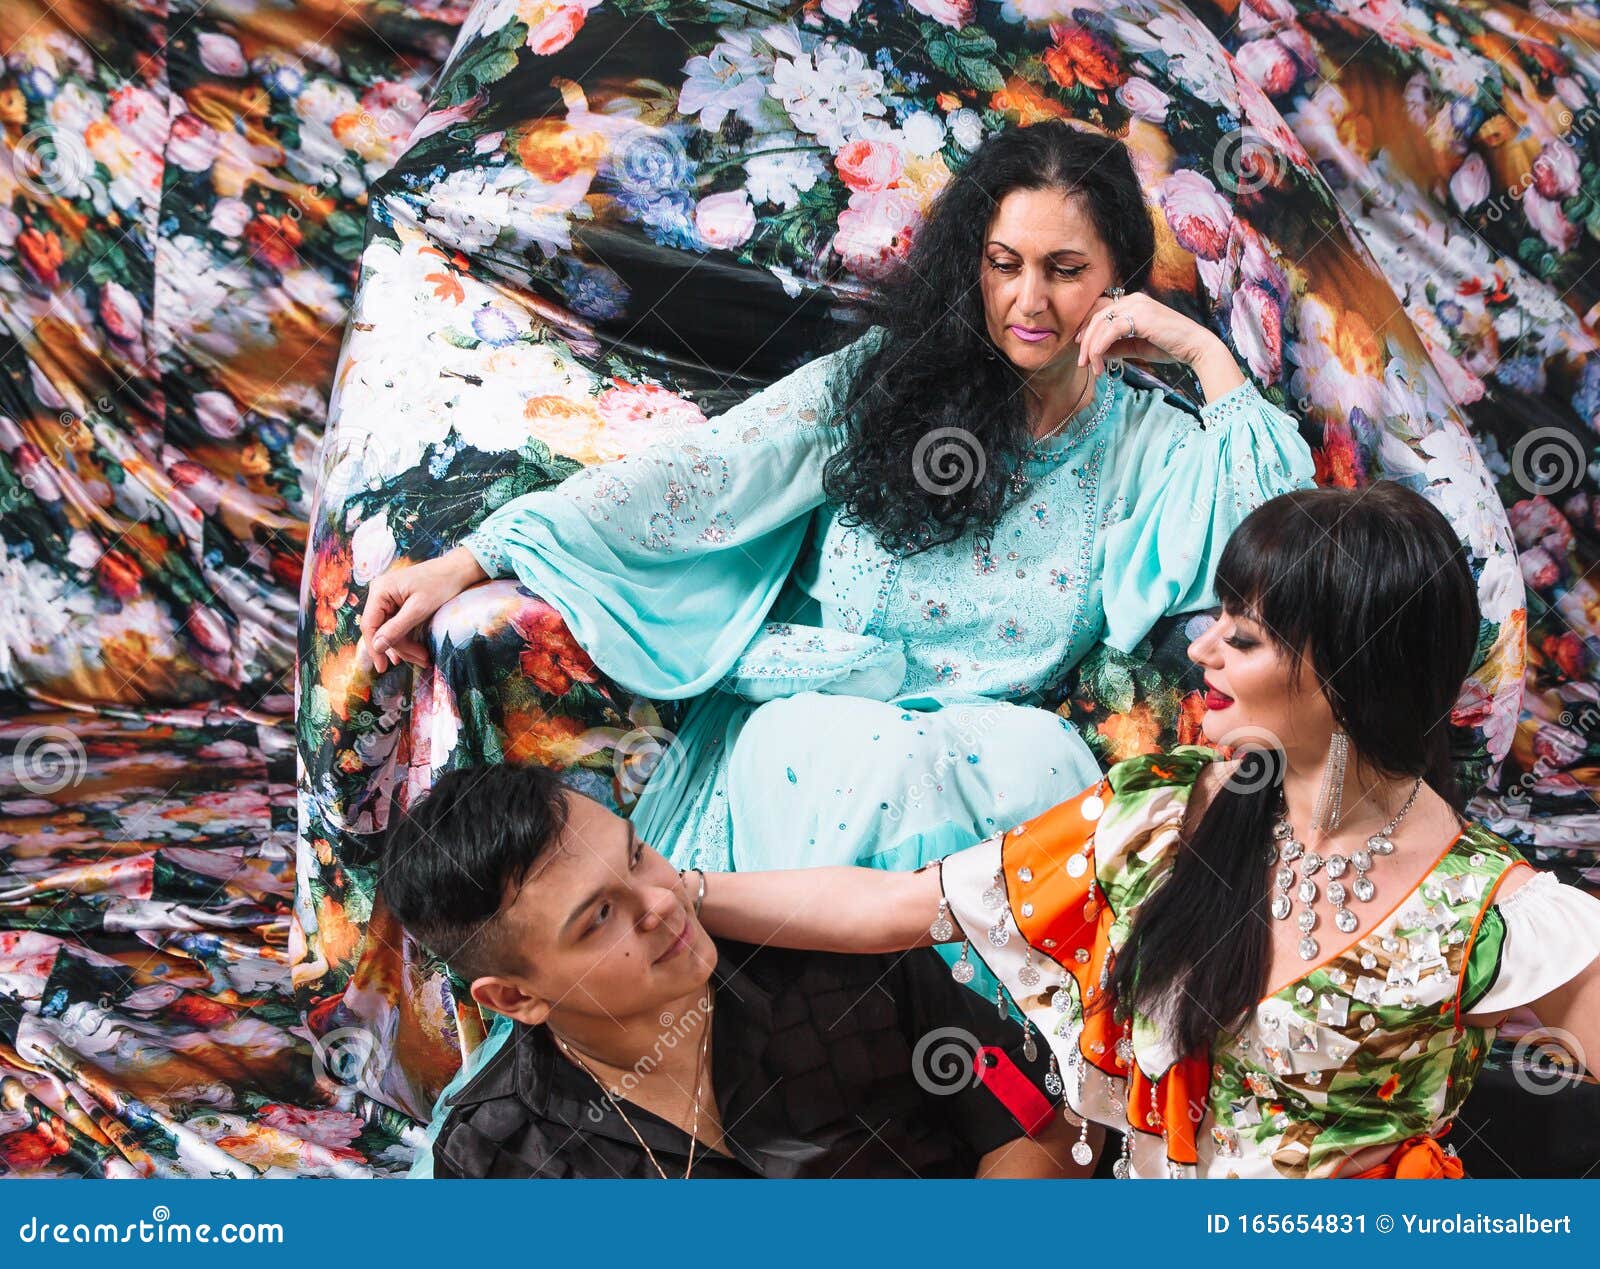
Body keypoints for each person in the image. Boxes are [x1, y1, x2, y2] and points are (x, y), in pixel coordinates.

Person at [357, 120, 1317, 886]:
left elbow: (1280, 547)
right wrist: (475, 556)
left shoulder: (1149, 441)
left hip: (998, 747)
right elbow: (708, 471)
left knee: (1029, 778)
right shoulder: (888, 378)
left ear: (1117, 278)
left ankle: (963, 1100)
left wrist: (1206, 356)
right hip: (811, 720)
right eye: (1004, 262)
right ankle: (823, 1083)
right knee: (860, 767)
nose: (1031, 300)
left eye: (1066, 270)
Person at [694, 483, 1600, 1178]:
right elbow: (898, 904)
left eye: (1242, 636)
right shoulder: (1159, 815)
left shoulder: (1490, 911)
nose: (1202, 650)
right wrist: (679, 891)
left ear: (1349, 676)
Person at [376, 763, 1100, 1179]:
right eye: (599, 918)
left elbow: (1052, 1127)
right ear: (515, 996)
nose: (663, 902)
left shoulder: (833, 965)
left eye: (637, 856)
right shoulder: (499, 1158)